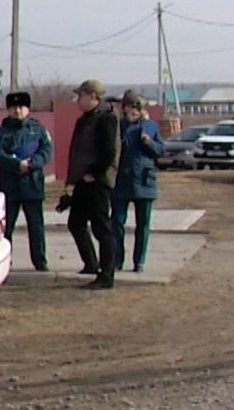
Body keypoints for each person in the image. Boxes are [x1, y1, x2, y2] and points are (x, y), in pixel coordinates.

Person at [63, 79, 120, 290]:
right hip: (82, 181)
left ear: (93, 96)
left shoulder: (105, 119)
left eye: (81, 96)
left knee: (102, 228)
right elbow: (77, 153)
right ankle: (91, 263)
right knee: (75, 222)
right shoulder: (85, 119)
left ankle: (107, 274)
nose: (78, 100)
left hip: (97, 182)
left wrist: (94, 173)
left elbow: (108, 153)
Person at [0, 91, 54, 271]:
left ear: (28, 109)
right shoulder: (0, 132)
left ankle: (40, 261)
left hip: (33, 185)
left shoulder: (38, 130)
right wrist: (17, 164)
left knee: (36, 227)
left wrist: (32, 163)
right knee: (6, 228)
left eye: (21, 107)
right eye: (13, 107)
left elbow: (46, 152)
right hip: (10, 186)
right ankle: (4, 262)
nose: (17, 111)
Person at [110, 90, 163, 274]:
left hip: (144, 180)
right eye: (129, 107)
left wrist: (149, 142)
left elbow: (160, 150)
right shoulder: (118, 127)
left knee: (143, 224)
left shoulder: (149, 126)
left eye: (136, 108)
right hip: (122, 180)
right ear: (124, 108)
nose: (132, 111)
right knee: (116, 221)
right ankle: (117, 259)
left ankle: (139, 261)